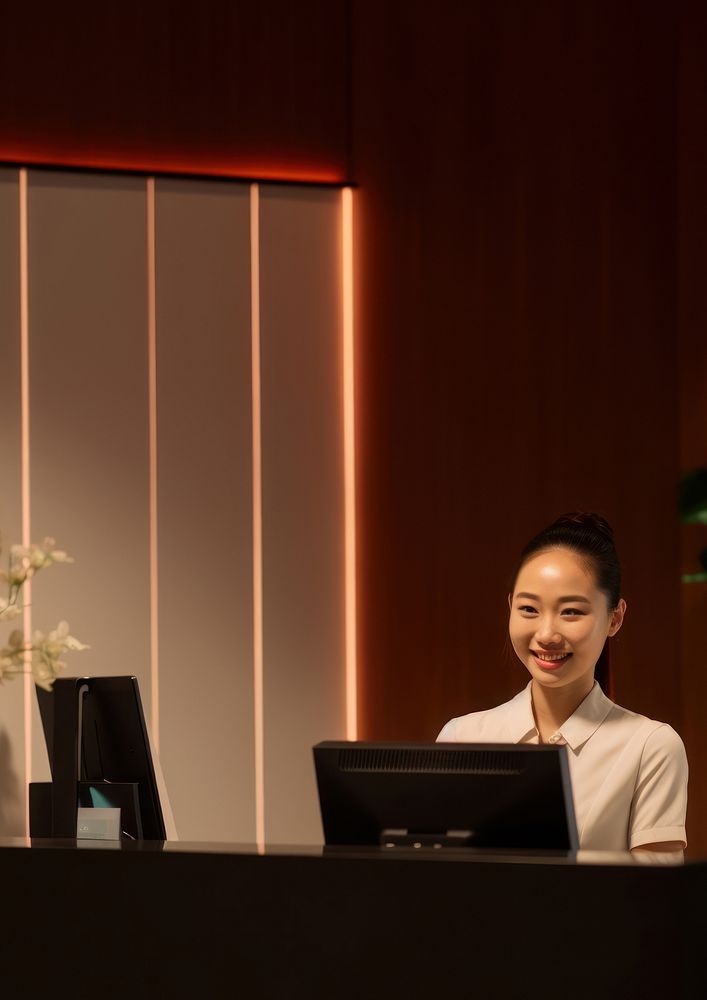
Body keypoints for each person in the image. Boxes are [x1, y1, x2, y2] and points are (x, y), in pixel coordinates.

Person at [437, 512, 688, 853]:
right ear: (510, 606)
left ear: (615, 618)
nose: (546, 634)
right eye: (529, 609)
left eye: (571, 611)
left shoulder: (650, 747)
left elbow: (656, 900)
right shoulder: (461, 738)